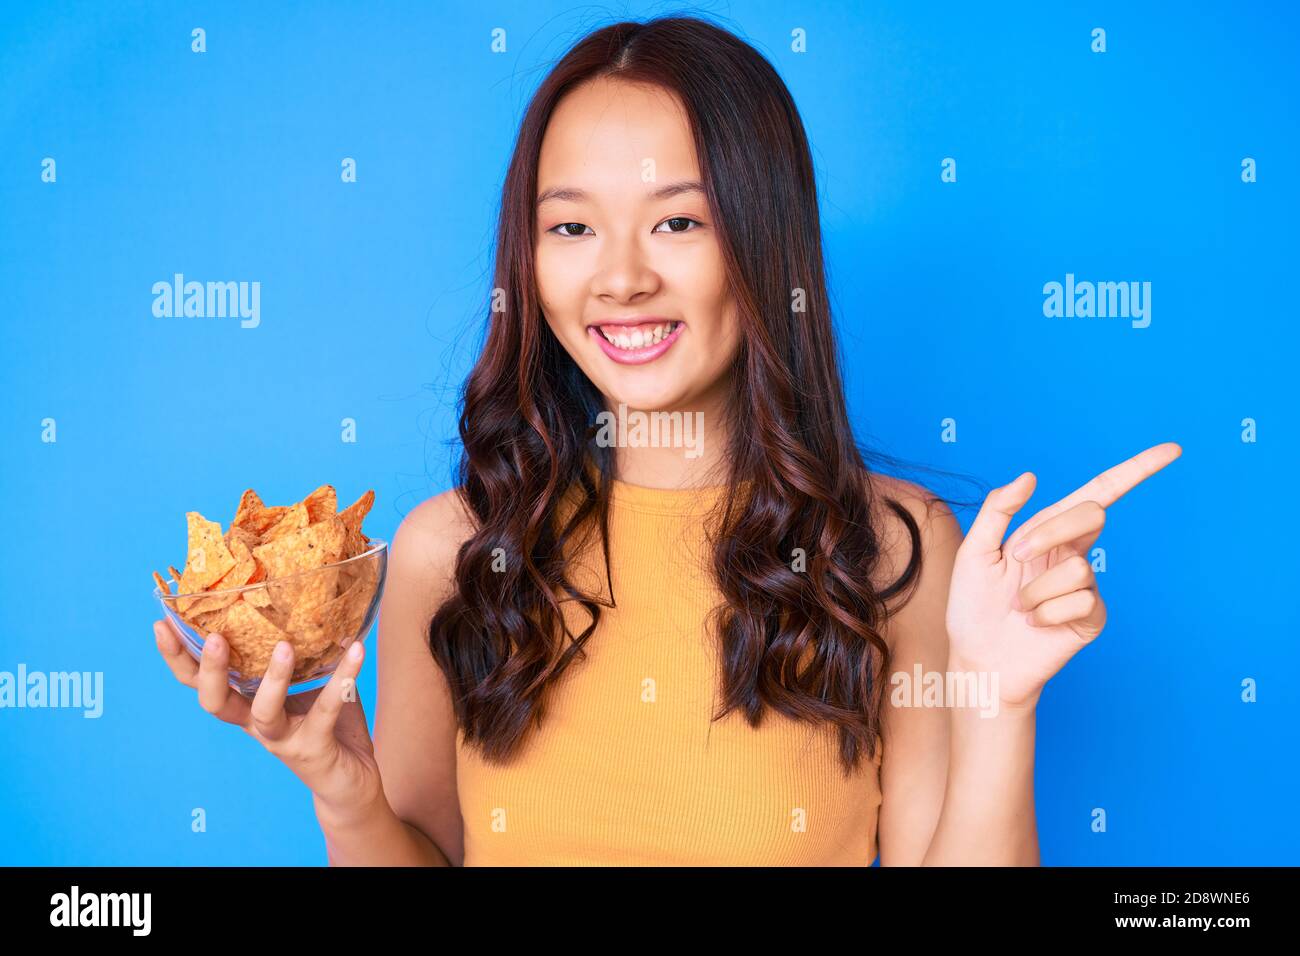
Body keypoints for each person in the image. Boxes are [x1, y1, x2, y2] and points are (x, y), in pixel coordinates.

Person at [152, 15, 1180, 866]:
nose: (620, 276)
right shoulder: (446, 551)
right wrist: (343, 790)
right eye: (570, 227)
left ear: (762, 237)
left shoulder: (893, 548)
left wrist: (997, 706)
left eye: (677, 222)